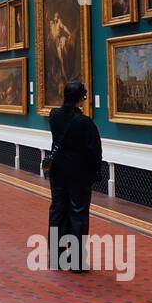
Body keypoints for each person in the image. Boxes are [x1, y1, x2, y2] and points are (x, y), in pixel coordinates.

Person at [45, 79, 101, 272]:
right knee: (78, 215)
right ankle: (76, 262)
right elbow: (94, 152)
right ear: (81, 98)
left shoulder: (54, 115)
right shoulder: (85, 123)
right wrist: (95, 173)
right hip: (79, 175)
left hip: (58, 172)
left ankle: (56, 257)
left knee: (58, 212)